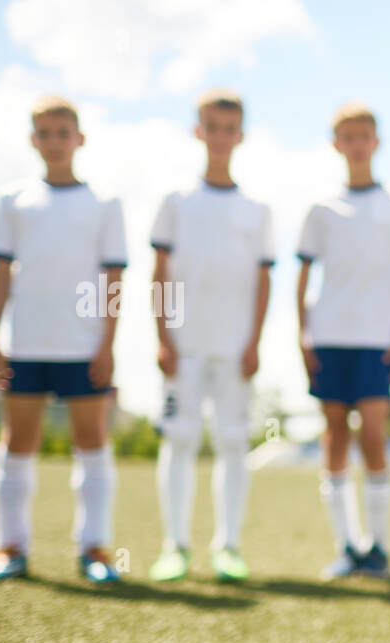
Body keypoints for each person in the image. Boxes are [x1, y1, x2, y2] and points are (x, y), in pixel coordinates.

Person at [0, 95, 127, 585]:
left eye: (64, 132)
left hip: (83, 346)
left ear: (79, 139)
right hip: (26, 345)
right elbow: (2, 274)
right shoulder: (13, 200)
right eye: (45, 133)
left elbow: (112, 278)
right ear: (33, 140)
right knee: (18, 443)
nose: (55, 142)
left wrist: (106, 344)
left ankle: (95, 549)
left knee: (92, 442)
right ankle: (10, 546)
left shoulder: (105, 202)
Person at [148, 89, 274, 583]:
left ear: (239, 136)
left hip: (234, 347)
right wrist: (163, 336)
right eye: (211, 127)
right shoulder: (175, 202)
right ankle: (174, 547)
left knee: (232, 443)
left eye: (229, 129)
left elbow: (264, 278)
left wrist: (254, 342)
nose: (220, 137)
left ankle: (228, 548)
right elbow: (158, 273)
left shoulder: (256, 208)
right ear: (198, 131)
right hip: (183, 346)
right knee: (178, 441)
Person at [297, 101, 390, 580]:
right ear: (336, 144)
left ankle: (379, 548)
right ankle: (346, 547)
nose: (356, 144)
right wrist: (302, 335)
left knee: (373, 438)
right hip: (328, 336)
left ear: (376, 141)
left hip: (376, 339)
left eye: (363, 135)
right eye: (346, 136)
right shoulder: (321, 208)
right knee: (333, 439)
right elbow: (304, 276)